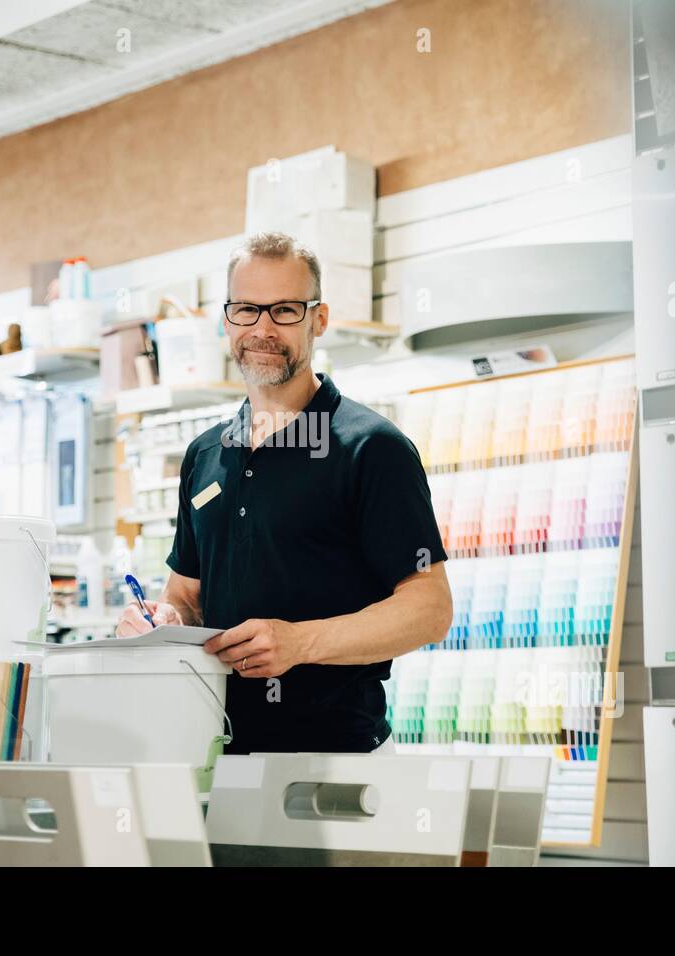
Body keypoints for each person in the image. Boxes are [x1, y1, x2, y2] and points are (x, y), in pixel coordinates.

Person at [116, 232, 452, 754]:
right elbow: (186, 593)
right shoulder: (206, 455)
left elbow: (430, 609)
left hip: (336, 758)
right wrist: (161, 622)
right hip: (209, 749)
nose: (263, 329)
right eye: (248, 309)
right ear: (227, 320)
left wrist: (301, 643)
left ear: (318, 320)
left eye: (285, 310)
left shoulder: (371, 448)